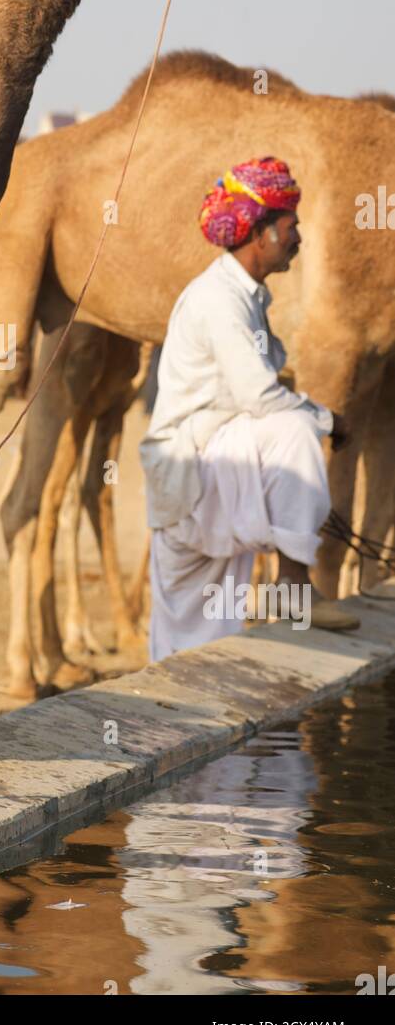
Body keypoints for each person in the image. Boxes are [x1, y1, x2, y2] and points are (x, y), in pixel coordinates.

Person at [139, 155, 358, 663]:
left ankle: (292, 591)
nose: (299, 236)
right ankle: (295, 592)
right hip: (192, 471)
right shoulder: (219, 299)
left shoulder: (245, 296)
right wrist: (329, 421)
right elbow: (260, 396)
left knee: (210, 643)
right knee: (292, 428)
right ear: (261, 233)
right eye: (291, 225)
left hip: (207, 467)